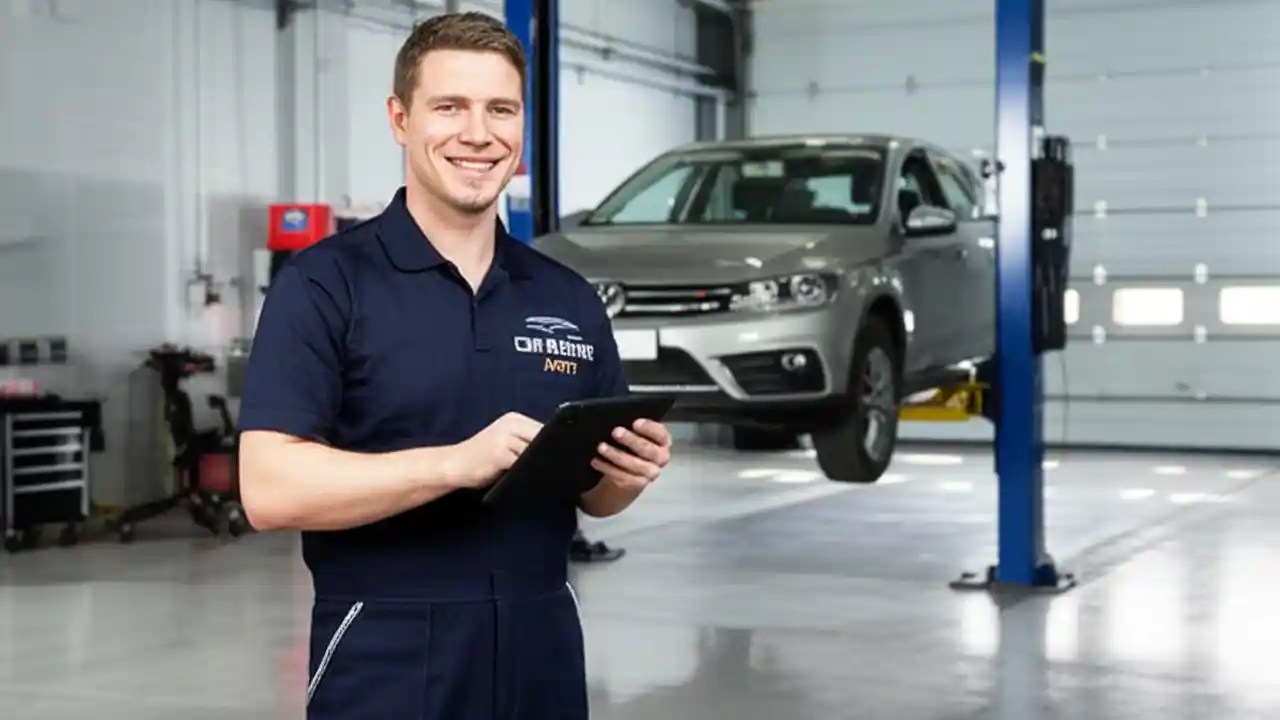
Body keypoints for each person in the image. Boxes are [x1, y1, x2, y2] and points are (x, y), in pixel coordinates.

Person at [236, 12, 672, 719]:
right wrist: (455, 463)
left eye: (501, 109)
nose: (479, 133)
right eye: (450, 107)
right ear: (400, 118)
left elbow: (596, 498)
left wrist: (628, 472)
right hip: (385, 644)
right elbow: (269, 489)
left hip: (543, 642)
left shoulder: (566, 297)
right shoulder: (325, 284)